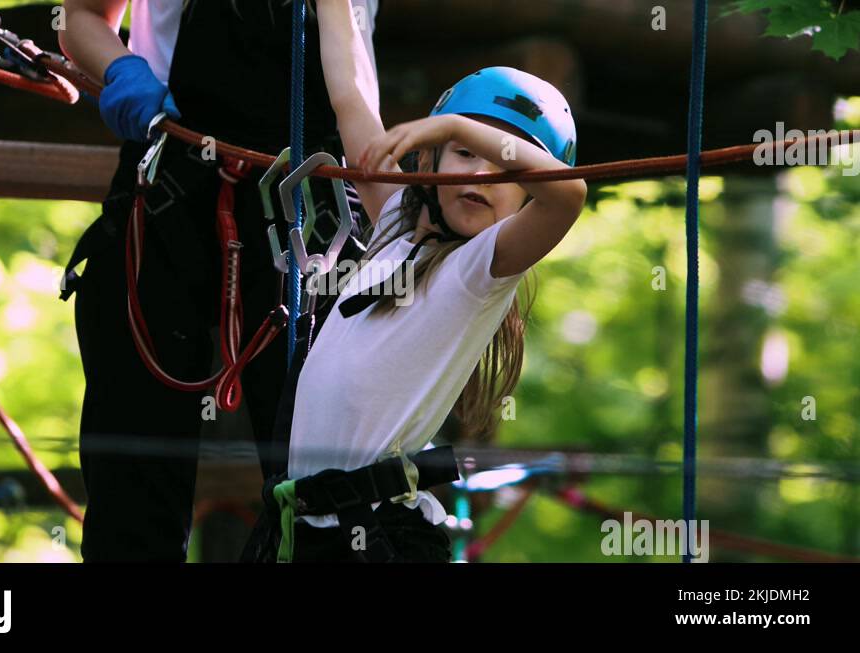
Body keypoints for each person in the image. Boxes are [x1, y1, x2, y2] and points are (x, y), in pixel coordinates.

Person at [244, 0, 587, 563]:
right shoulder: (397, 223)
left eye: (501, 167)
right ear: (430, 158)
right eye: (462, 154)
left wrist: (457, 126)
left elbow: (569, 195)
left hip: (375, 538)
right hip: (304, 526)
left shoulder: (482, 270)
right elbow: (351, 95)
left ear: (526, 195)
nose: (480, 173)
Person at [57, 0, 379, 562]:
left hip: (317, 209)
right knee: (132, 483)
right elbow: (79, 16)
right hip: (166, 189)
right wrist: (120, 69)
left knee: (325, 491)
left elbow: (351, 91)